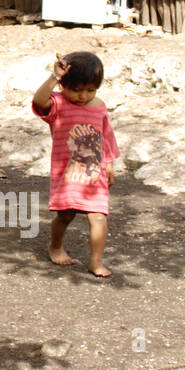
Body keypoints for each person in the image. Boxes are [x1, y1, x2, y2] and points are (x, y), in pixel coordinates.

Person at [32, 51, 119, 277]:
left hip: (94, 173)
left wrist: (109, 163)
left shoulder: (99, 107)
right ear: (64, 85)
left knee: (98, 216)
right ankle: (55, 246)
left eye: (90, 90)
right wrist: (54, 76)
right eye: (77, 89)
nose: (83, 96)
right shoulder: (58, 104)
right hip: (68, 173)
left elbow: (106, 136)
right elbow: (38, 101)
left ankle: (95, 262)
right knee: (66, 215)